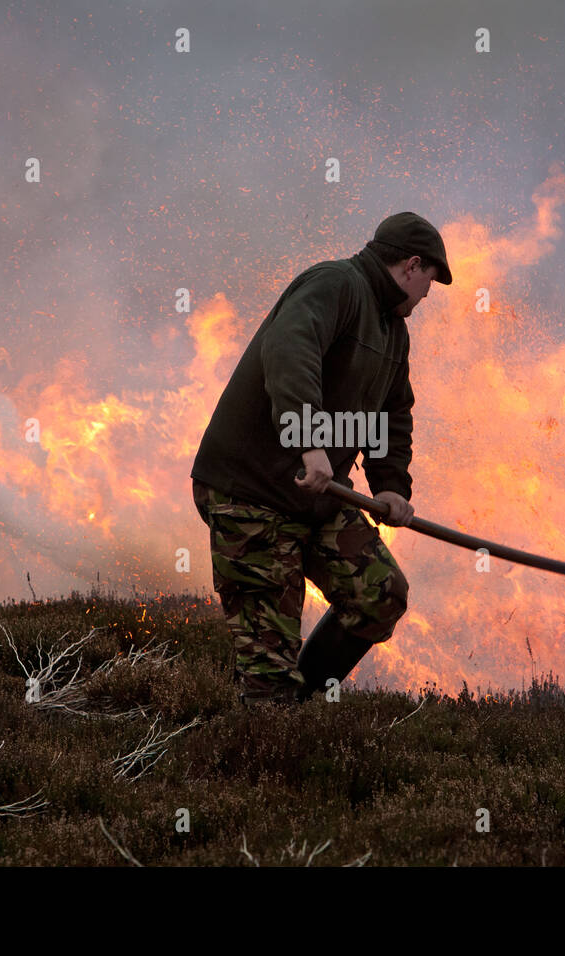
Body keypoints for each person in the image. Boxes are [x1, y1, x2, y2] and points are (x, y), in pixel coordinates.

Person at [190, 211, 453, 705]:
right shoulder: (334, 284)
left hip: (316, 500)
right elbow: (290, 351)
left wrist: (391, 488)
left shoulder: (394, 332)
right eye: (430, 284)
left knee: (382, 597)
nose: (426, 296)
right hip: (251, 495)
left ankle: (297, 710)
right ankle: (264, 726)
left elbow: (393, 412)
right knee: (268, 667)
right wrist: (309, 443)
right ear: (412, 266)